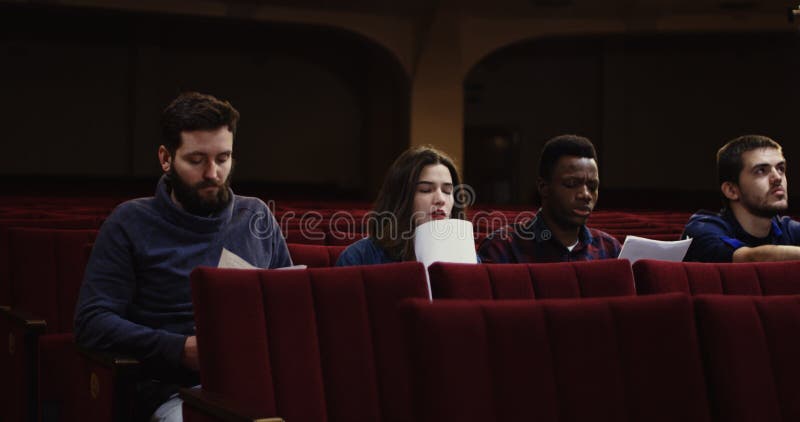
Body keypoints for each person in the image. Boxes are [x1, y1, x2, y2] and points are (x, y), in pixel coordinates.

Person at [74, 92, 292, 422]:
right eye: (196, 160)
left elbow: (288, 308)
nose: (213, 173)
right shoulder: (129, 222)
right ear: (166, 158)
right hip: (173, 392)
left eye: (223, 158)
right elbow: (92, 323)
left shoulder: (256, 216)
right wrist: (179, 349)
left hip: (257, 385)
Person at [478, 134, 620, 263]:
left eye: (592, 186)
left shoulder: (610, 249)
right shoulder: (503, 248)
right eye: (571, 184)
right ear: (544, 187)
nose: (586, 195)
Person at [336, 146, 469, 266]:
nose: (440, 199)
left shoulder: (467, 256)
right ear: (399, 198)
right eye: (425, 190)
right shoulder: (358, 258)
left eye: (447, 191)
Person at [682, 135, 800, 262]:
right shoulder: (702, 229)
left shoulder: (788, 228)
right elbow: (750, 258)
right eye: (761, 170)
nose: (778, 178)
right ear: (731, 190)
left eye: (781, 169)